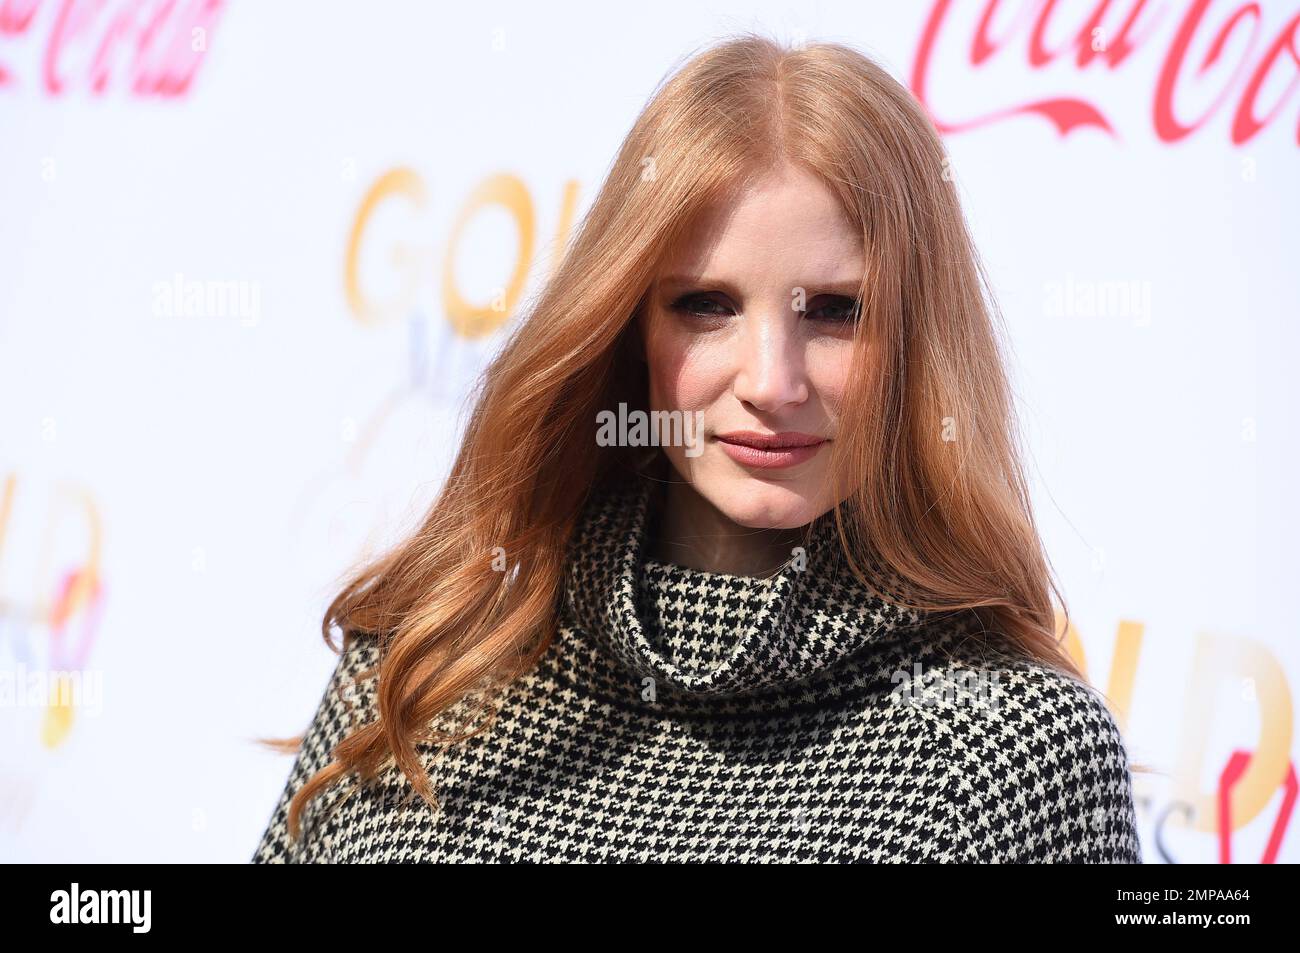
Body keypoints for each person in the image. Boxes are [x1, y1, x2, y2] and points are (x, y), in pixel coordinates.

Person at [252, 32, 1142, 863]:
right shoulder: (428, 657)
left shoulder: (1016, 753)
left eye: (837, 312)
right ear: (626, 324)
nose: (772, 381)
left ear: (919, 342)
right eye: (707, 306)